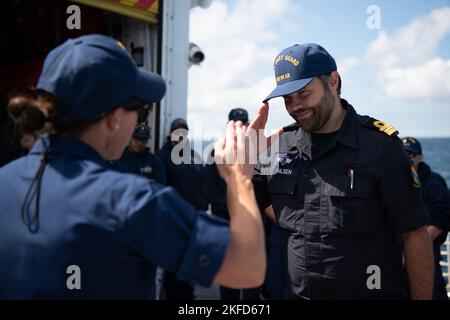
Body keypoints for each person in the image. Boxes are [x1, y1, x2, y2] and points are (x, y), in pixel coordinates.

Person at [0, 34, 266, 299]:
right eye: (140, 109)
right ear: (115, 118)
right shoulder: (131, 201)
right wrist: (239, 177)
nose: (140, 121)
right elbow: (247, 267)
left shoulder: (5, 180)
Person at [249, 43, 434, 299]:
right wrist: (244, 158)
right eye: (288, 99)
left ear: (333, 82)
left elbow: (415, 233)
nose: (295, 106)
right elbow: (250, 199)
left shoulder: (380, 147)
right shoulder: (279, 146)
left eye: (303, 93)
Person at [204, 108, 261, 300]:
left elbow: (262, 188)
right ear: (229, 126)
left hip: (251, 223)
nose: (241, 126)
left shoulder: (257, 152)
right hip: (225, 222)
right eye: (236, 123)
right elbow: (209, 187)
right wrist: (232, 205)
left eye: (244, 123)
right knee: (228, 277)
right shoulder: (216, 153)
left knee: (252, 280)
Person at [157, 118, 208, 299]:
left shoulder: (193, 155)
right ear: (171, 134)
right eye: (178, 132)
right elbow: (160, 189)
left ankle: (187, 297)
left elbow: (203, 182)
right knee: (173, 269)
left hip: (195, 220)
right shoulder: (162, 157)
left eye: (184, 133)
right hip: (174, 221)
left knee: (189, 267)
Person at [402, 137, 450, 300]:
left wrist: (410, 253)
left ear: (420, 157)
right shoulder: (390, 183)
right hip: (394, 263)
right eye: (403, 155)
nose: (407, 159)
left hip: (426, 259)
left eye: (411, 155)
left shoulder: (434, 185)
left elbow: (439, 221)